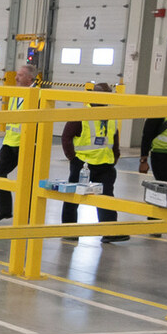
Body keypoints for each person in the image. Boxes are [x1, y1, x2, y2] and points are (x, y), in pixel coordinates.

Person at [59, 83, 125, 242]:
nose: (105, 99)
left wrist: (115, 156)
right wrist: (73, 158)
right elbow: (66, 137)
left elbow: (114, 139)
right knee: (74, 197)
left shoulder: (111, 115)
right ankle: (69, 230)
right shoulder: (82, 114)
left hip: (106, 165)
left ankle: (109, 232)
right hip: (83, 165)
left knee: (107, 198)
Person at [0, 63, 40, 226]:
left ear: (30, 78)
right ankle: (5, 210)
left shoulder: (39, 95)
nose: (16, 77)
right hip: (10, 142)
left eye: (20, 75)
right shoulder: (15, 93)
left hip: (28, 144)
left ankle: (28, 215)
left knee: (29, 180)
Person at [137, 69, 167, 245]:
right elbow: (147, 134)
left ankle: (153, 221)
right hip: (163, 156)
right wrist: (143, 160)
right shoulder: (162, 107)